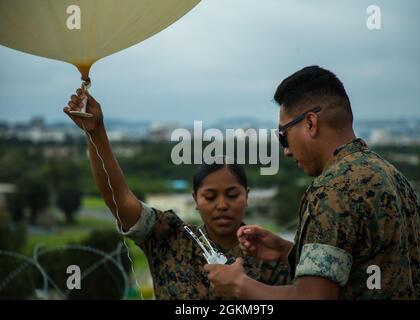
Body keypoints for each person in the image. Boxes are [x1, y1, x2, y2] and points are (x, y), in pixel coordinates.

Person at [204, 66, 420, 300]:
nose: (287, 151)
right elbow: (369, 267)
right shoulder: (392, 176)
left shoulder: (332, 190)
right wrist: (287, 251)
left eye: (283, 136)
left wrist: (239, 285)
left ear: (310, 123)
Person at [63, 90, 290, 299]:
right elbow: (118, 198)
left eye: (232, 195)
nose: (222, 205)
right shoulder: (168, 238)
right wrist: (96, 133)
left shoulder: (268, 254)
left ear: (247, 196)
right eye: (210, 197)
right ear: (195, 200)